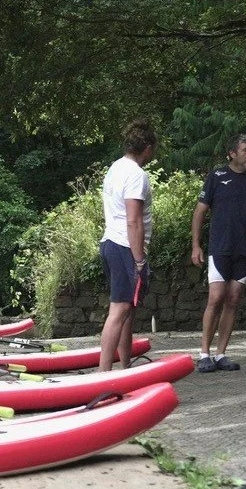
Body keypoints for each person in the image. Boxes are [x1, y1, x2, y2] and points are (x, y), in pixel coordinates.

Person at [190, 134, 246, 372]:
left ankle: (221, 354)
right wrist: (196, 245)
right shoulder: (216, 176)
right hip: (220, 247)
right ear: (232, 153)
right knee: (215, 297)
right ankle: (204, 353)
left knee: (233, 299)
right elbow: (199, 213)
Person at [98, 119, 156, 371]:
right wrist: (140, 259)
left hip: (111, 243)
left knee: (128, 310)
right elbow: (133, 221)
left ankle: (124, 367)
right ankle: (102, 374)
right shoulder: (136, 175)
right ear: (148, 148)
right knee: (119, 309)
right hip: (125, 246)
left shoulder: (115, 168)